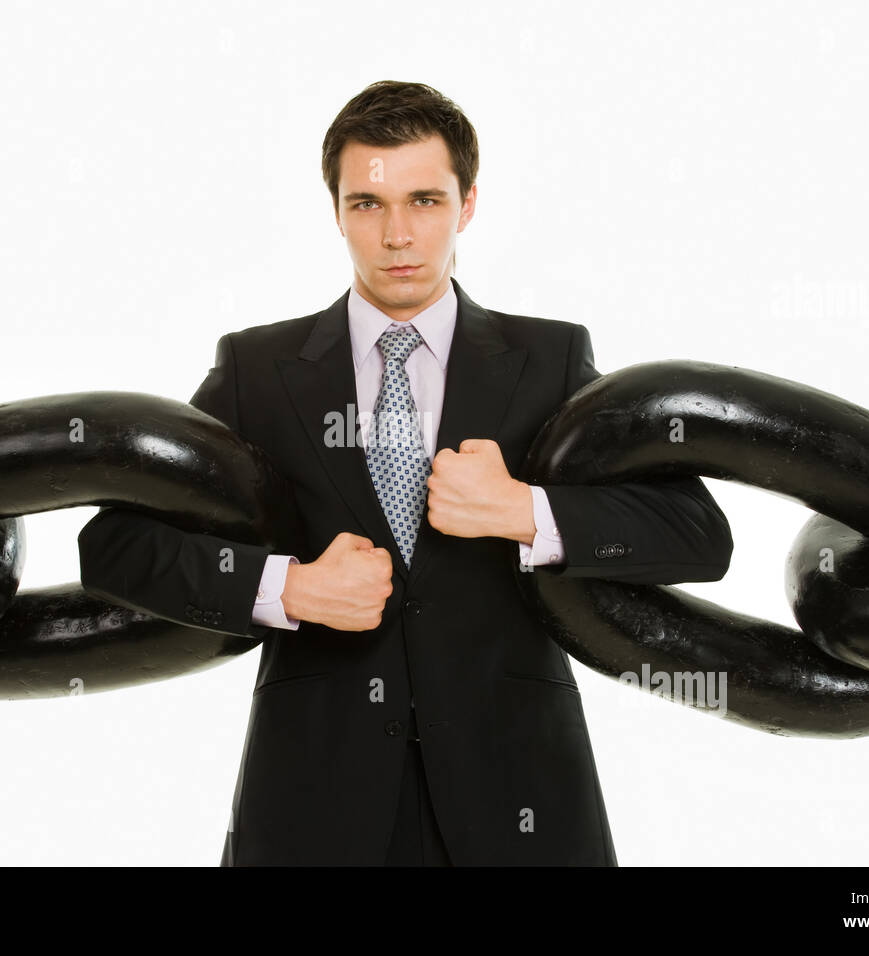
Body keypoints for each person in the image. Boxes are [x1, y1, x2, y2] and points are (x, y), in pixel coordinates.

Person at [78, 80, 733, 866]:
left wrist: (526, 511)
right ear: (337, 211)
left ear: (468, 205)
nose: (397, 236)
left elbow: (697, 534)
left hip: (519, 793)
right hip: (317, 799)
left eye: (425, 200)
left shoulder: (549, 359)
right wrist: (287, 588)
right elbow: (113, 545)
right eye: (367, 204)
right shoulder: (259, 370)